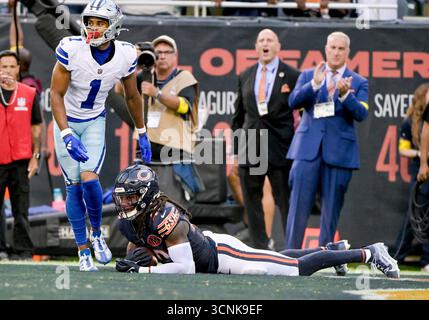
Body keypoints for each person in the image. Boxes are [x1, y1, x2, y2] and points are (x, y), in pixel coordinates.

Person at [112, 163, 399, 279]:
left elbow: (185, 268)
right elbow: (139, 249)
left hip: (223, 256)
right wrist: (134, 261)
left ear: (146, 196)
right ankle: (333, 251)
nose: (124, 203)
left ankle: (370, 252)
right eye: (122, 198)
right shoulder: (131, 221)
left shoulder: (167, 219)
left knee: (291, 270)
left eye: (130, 198)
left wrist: (144, 272)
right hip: (211, 252)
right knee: (275, 258)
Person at [50, 0, 151, 271]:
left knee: (89, 179)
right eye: (90, 22)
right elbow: (55, 95)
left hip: (94, 120)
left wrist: (142, 131)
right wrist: (67, 133)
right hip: (66, 123)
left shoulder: (126, 54)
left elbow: (132, 95)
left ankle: (96, 234)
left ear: (114, 25)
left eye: (100, 23)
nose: (93, 28)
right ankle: (83, 251)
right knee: (73, 186)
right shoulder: (71, 48)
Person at [285, 32, 369, 256]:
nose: (336, 52)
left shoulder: (359, 82)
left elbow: (362, 114)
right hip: (306, 149)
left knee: (331, 211)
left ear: (348, 52)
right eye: (333, 47)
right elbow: (293, 102)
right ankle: (289, 256)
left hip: (340, 153)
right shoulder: (308, 75)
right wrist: (314, 83)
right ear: (326, 49)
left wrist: (345, 96)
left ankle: (324, 258)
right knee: (297, 208)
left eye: (341, 48)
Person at [231, 29, 300, 250]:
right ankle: (260, 247)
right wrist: (236, 150)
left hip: (282, 147)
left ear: (278, 46)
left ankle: (292, 249)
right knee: (252, 201)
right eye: (261, 40)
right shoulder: (245, 75)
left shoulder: (292, 75)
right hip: (251, 146)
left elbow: (302, 114)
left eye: (270, 40)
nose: (265, 44)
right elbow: (238, 117)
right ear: (256, 47)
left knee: (286, 201)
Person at [136, 35, 202, 202]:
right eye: (158, 52)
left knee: (172, 206)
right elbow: (119, 90)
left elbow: (185, 107)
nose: (163, 56)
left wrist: (157, 93)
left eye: (167, 52)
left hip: (174, 151)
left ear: (175, 56)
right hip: (147, 148)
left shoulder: (185, 77)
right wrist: (131, 63)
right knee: (144, 204)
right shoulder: (143, 75)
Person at [0, 50, 42, 260]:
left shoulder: (29, 92)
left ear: (18, 68)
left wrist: (35, 156)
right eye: (3, 66)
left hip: (20, 160)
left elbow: (36, 126)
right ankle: (1, 250)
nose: (7, 70)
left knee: (21, 209)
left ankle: (23, 251)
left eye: (11, 66)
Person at [394, 83, 429, 272]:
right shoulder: (410, 122)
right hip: (420, 173)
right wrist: (420, 155)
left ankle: (426, 260)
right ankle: (396, 256)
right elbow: (402, 149)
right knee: (415, 217)